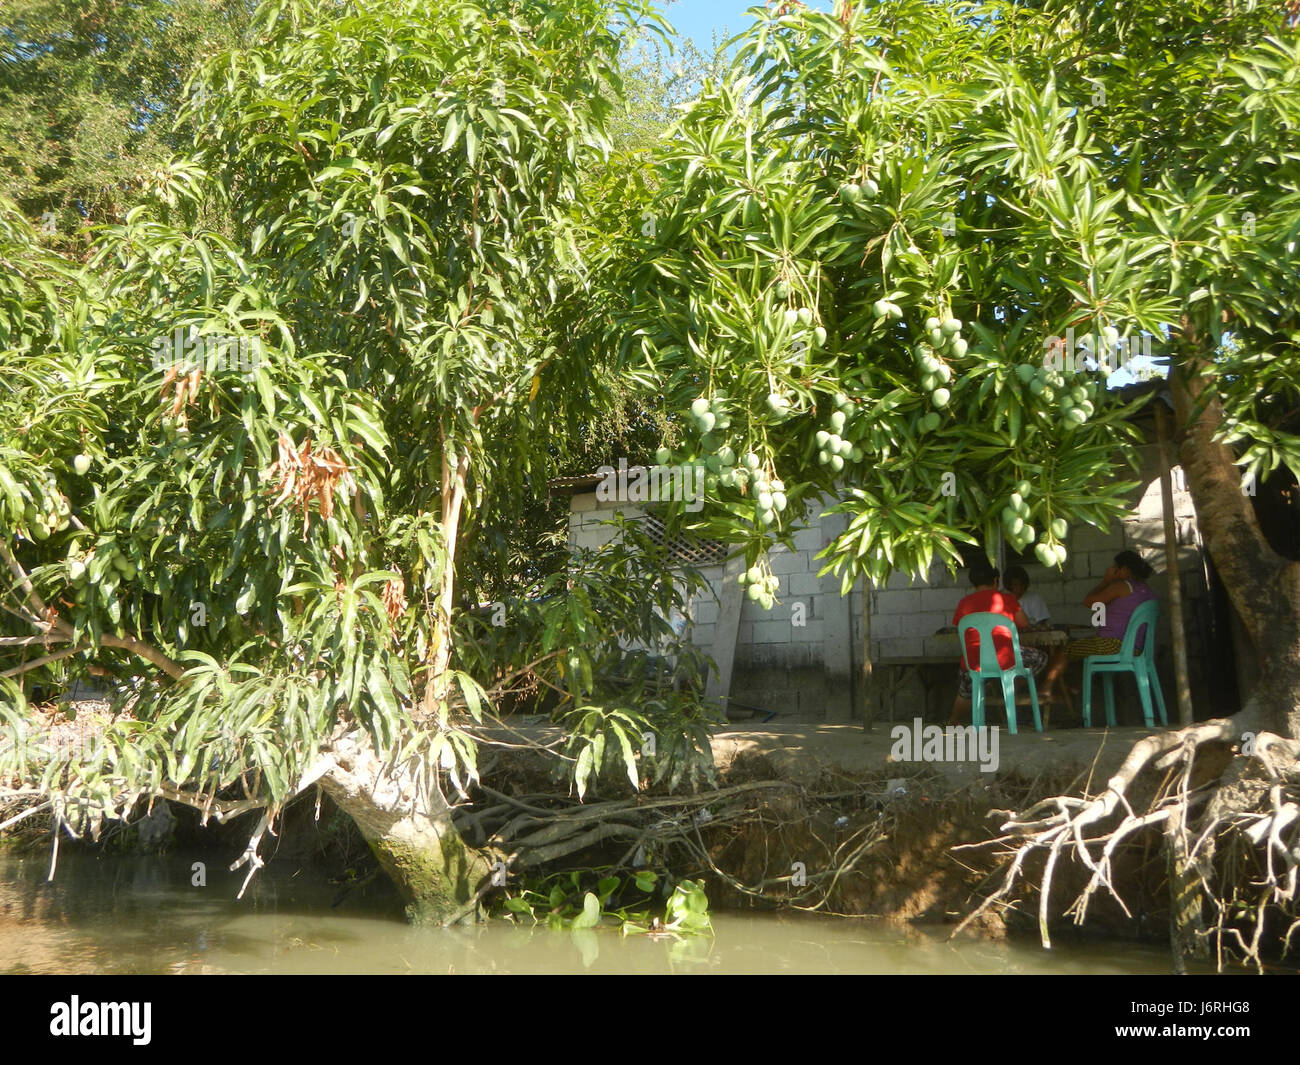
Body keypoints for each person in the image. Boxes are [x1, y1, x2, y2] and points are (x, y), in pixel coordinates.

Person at [1044, 549, 1156, 693]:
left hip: (1115, 645)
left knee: (1065, 650)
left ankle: (1046, 688)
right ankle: (1079, 687)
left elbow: (1089, 602)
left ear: (1124, 569)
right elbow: (1099, 615)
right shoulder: (1145, 590)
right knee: (1084, 646)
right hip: (1136, 648)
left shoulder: (1121, 586)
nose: (1112, 569)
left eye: (1116, 567)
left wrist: (1105, 581)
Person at [950, 562, 1048, 725]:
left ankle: (954, 720)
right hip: (1005, 660)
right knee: (1041, 657)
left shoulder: (964, 603)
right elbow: (1024, 624)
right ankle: (1010, 687)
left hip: (973, 662)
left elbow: (960, 627)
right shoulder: (1007, 599)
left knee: (967, 689)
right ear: (996, 580)